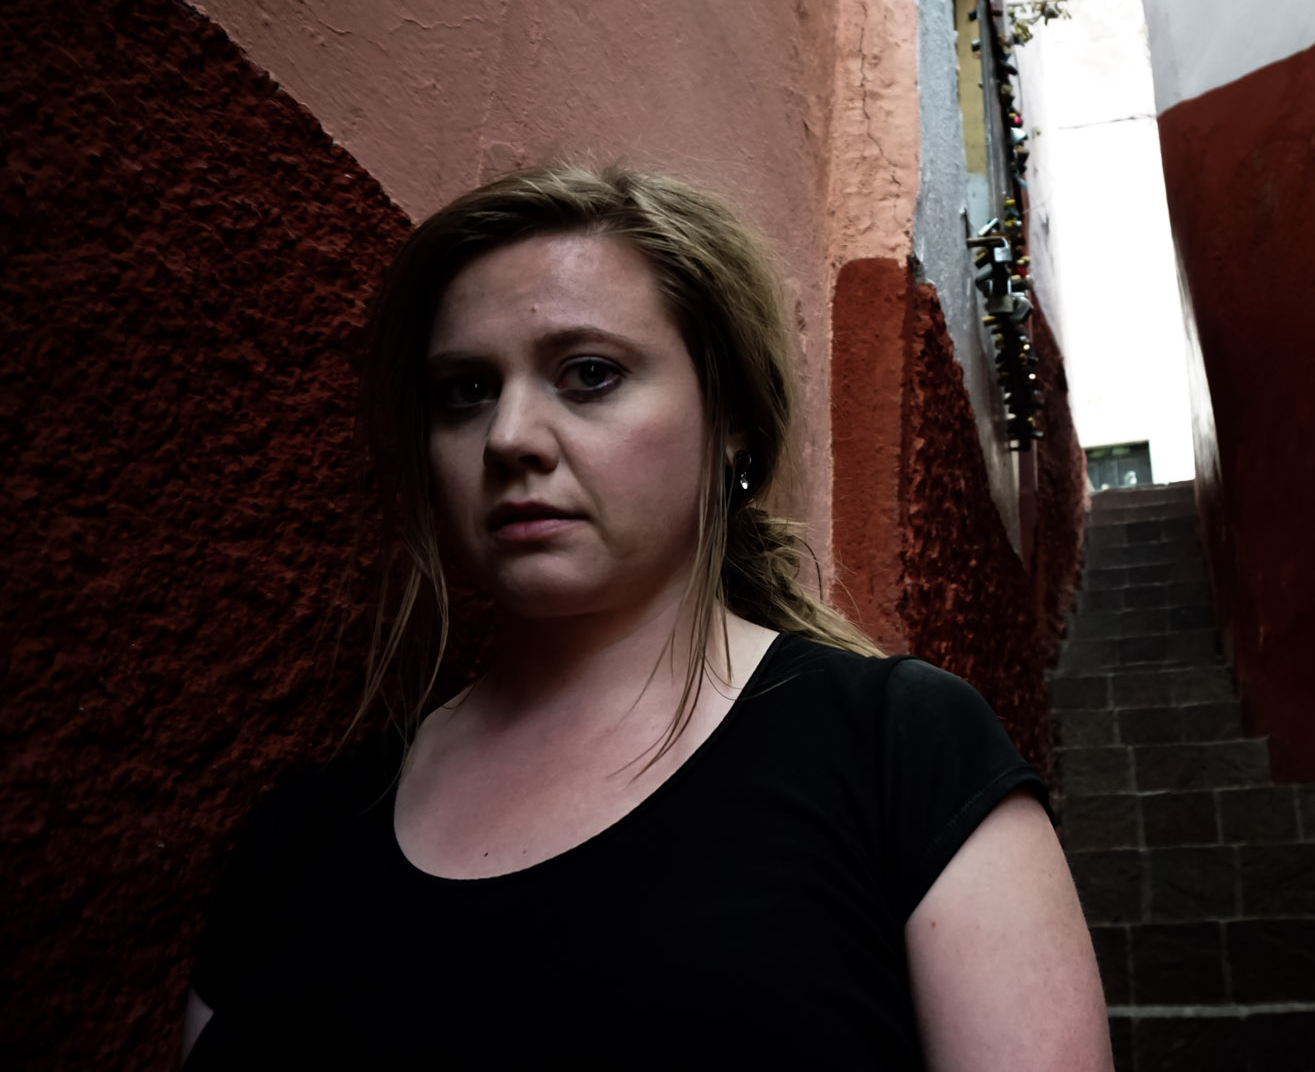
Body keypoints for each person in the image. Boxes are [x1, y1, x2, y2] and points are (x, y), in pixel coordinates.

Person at [180, 165, 1111, 1069]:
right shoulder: (302, 833)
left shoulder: (901, 752)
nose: (509, 437)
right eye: (466, 390)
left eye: (587, 373)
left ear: (733, 423)